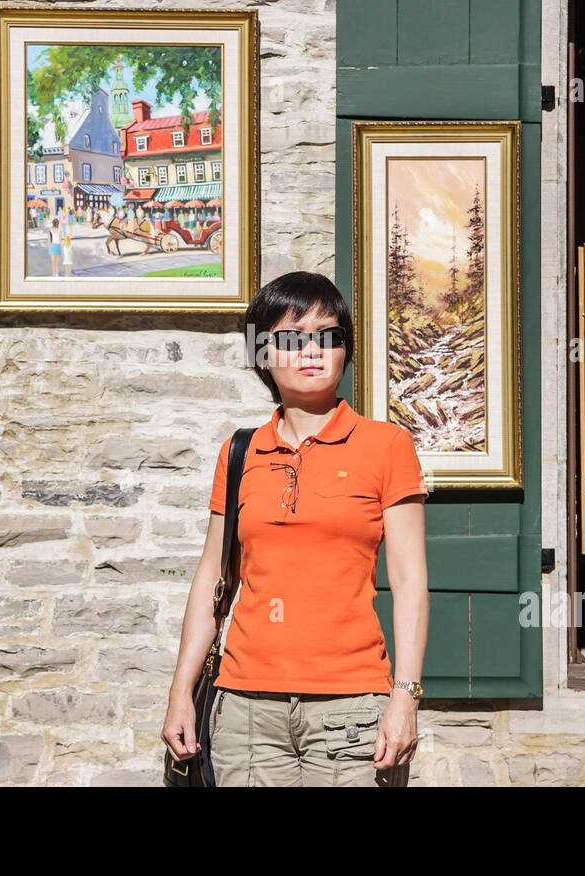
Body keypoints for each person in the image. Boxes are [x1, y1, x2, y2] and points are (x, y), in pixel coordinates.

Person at [161, 270, 429, 786]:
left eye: (327, 336)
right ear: (263, 352)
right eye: (291, 338)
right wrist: (180, 694)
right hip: (244, 712)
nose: (312, 351)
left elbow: (410, 582)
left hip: (353, 711)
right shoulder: (239, 453)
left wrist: (405, 695)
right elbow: (210, 583)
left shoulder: (387, 447)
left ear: (345, 349)